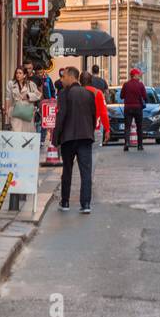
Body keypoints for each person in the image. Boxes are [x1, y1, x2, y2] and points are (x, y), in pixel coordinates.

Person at [53, 68, 97, 211]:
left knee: (67, 170)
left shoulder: (64, 94)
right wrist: (90, 133)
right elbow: (93, 116)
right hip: (85, 137)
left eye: (63, 76)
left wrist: (55, 138)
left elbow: (61, 116)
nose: (61, 79)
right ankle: (85, 204)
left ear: (71, 77)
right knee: (86, 172)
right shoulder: (89, 94)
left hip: (68, 138)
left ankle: (65, 202)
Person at [80, 69, 110, 151]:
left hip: (79, 130)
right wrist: (107, 129)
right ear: (91, 81)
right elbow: (103, 113)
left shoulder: (76, 92)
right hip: (95, 129)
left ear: (80, 81)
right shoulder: (98, 93)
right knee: (93, 154)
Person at [120, 66, 148, 151]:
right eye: (138, 75)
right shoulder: (140, 85)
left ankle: (126, 143)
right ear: (135, 75)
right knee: (139, 127)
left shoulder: (126, 84)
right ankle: (140, 145)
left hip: (128, 108)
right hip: (138, 108)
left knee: (127, 126)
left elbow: (121, 96)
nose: (139, 76)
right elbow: (145, 97)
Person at [5, 66, 41, 132]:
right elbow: (8, 97)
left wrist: (28, 96)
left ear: (24, 75)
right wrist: (7, 109)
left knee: (27, 132)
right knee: (15, 131)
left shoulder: (30, 84)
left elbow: (38, 95)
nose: (18, 75)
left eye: (20, 73)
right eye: (17, 73)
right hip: (16, 110)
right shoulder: (11, 83)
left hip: (27, 111)